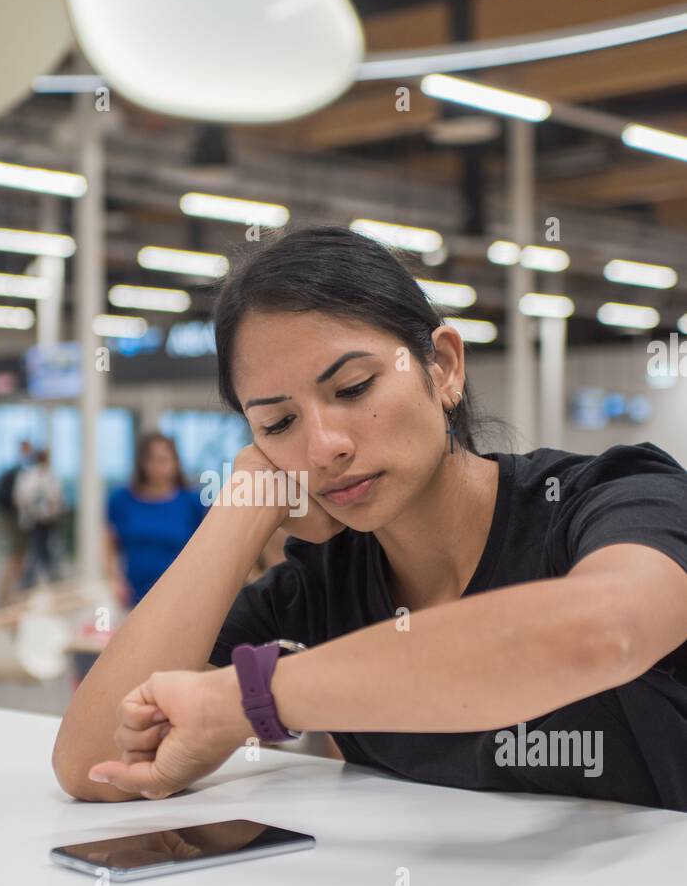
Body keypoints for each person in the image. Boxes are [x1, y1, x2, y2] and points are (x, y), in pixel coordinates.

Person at [52, 225, 687, 812]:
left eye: (354, 388)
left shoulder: (611, 498)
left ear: (442, 368)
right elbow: (97, 763)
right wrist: (241, 510)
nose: (325, 446)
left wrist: (250, 700)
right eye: (278, 423)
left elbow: (602, 632)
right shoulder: (320, 586)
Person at [103, 432, 207, 608]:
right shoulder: (122, 499)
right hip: (133, 596)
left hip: (180, 597)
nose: (158, 466)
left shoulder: (192, 501)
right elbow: (109, 544)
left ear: (176, 463)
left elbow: (206, 549)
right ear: (142, 464)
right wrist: (115, 580)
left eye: (164, 459)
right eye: (152, 460)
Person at [14, 448, 64, 588]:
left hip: (48, 520)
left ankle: (49, 579)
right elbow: (22, 498)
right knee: (37, 550)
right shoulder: (30, 477)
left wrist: (51, 509)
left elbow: (57, 499)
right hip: (35, 520)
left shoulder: (49, 477)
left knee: (44, 550)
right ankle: (29, 581)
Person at [0, 439, 33, 600]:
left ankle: (13, 591)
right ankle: (11, 593)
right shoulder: (17, 473)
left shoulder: (20, 471)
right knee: (15, 555)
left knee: (19, 555)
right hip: (13, 519)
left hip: (15, 519)